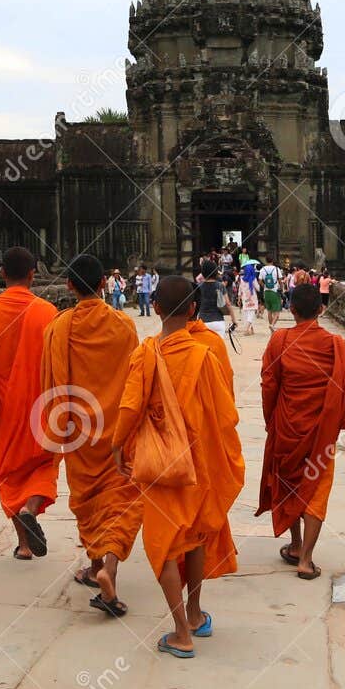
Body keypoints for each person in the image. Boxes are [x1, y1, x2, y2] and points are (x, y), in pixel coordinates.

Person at [112, 277, 243, 659]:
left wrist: (119, 444)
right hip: (196, 465)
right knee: (195, 536)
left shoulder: (146, 353)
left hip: (160, 466)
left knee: (165, 546)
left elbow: (130, 407)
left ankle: (181, 633)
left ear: (154, 308)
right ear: (192, 310)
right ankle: (195, 612)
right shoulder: (205, 355)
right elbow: (225, 415)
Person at [40, 254, 141, 617]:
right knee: (121, 500)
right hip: (117, 431)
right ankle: (108, 570)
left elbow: (50, 384)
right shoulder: (125, 326)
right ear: (104, 285)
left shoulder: (57, 327)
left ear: (69, 285)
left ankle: (95, 564)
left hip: (79, 430)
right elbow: (136, 380)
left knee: (87, 501)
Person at [258, 283, 345, 581]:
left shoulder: (280, 341)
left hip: (287, 426)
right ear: (321, 309)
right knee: (315, 490)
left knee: (289, 484)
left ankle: (295, 544)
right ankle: (305, 559)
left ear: (291, 310)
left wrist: (271, 418)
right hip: (321, 431)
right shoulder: (335, 344)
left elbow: (269, 384)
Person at [0, 246, 59, 560]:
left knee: (11, 474)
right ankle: (32, 508)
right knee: (43, 464)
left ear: (2, 274)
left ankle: (24, 545)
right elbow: (58, 364)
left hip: (4, 410)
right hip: (40, 409)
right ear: (33, 275)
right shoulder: (47, 312)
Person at [258, 256, 284, 328]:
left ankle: (271, 327)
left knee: (269, 311)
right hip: (275, 291)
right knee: (277, 312)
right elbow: (280, 281)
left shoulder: (262, 269)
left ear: (266, 261)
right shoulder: (276, 269)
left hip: (266, 292)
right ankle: (272, 325)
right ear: (272, 261)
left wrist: (265, 286)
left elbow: (259, 281)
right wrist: (281, 289)